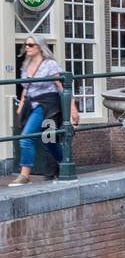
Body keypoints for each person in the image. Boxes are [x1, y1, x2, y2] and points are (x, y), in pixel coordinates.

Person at [8, 34, 79, 187]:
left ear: (40, 47)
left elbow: (62, 88)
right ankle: (66, 164)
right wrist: (21, 106)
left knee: (27, 137)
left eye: (31, 45)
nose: (27, 47)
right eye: (26, 44)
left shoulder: (49, 65)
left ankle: (24, 175)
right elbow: (26, 88)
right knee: (49, 141)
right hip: (31, 106)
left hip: (47, 107)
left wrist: (72, 109)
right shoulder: (26, 66)